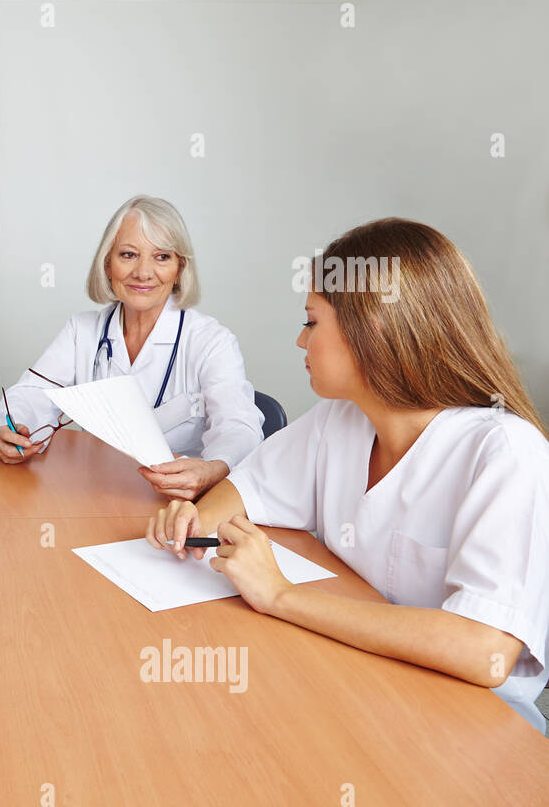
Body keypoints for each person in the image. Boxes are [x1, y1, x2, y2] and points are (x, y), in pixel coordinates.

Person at [146, 218, 549, 731]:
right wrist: (193, 519)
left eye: (311, 322)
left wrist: (282, 595)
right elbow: (248, 487)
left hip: (468, 722)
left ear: (372, 331)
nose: (299, 340)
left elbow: (482, 649)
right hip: (356, 676)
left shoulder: (505, 452)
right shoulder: (343, 419)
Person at [0, 195, 264, 501]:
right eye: (129, 254)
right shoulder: (83, 331)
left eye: (162, 257)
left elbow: (239, 427)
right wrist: (14, 429)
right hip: (98, 494)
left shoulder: (211, 341)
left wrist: (212, 469)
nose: (144, 272)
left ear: (179, 268)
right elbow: (28, 394)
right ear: (107, 263)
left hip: (179, 509)